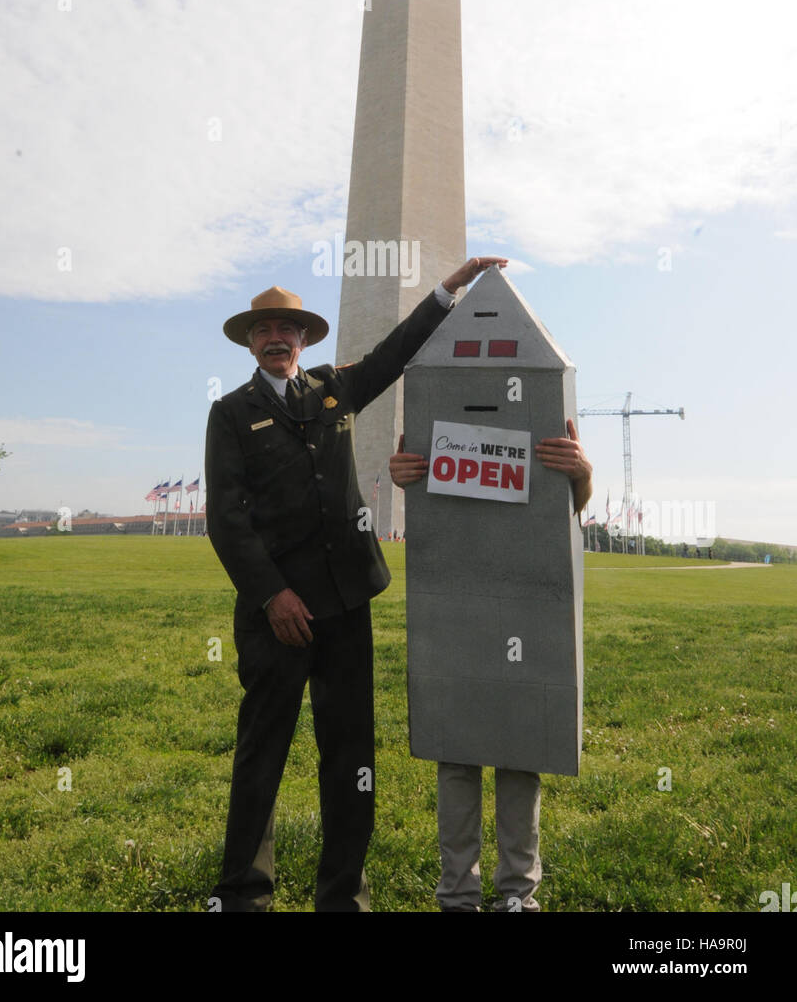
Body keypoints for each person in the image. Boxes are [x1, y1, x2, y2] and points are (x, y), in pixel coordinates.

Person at [204, 256, 507, 912]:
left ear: (305, 339)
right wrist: (271, 593)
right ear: (250, 343)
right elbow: (225, 520)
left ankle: (343, 896)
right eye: (264, 330)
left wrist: (449, 288)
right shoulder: (229, 414)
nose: (276, 337)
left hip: (344, 605)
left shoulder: (334, 389)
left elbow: (394, 352)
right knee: (262, 754)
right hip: (274, 612)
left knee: (350, 760)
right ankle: (241, 895)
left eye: (287, 328)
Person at [389, 420, 592, 913]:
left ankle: (518, 896)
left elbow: (563, 501)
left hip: (526, 598)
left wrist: (583, 474)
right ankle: (458, 896)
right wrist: (403, 476)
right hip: (455, 597)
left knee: (519, 753)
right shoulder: (440, 413)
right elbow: (426, 494)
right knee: (457, 753)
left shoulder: (541, 406)